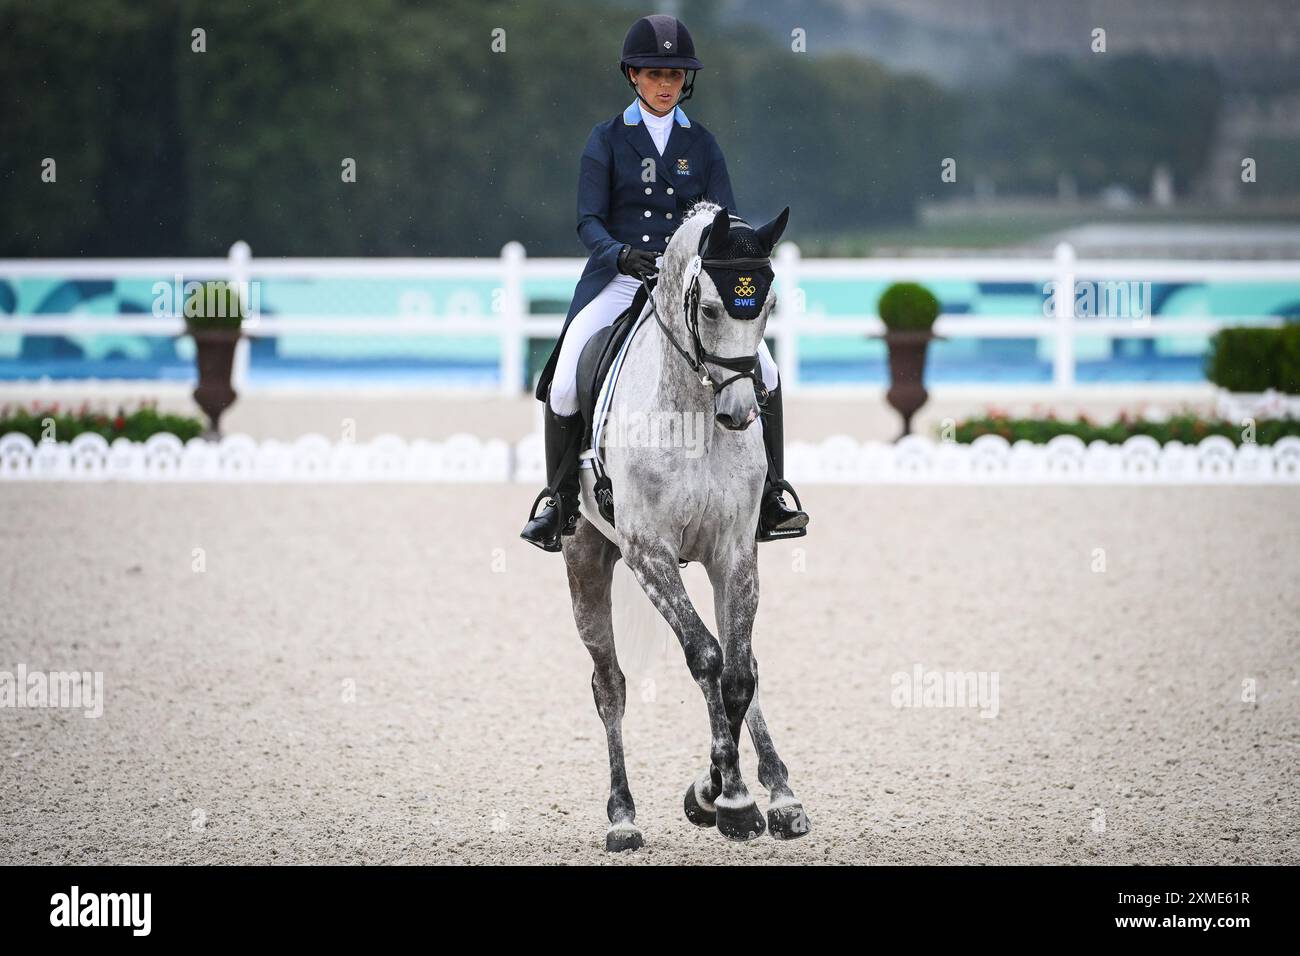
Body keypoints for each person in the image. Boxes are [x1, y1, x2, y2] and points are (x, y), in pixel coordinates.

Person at [521, 13, 809, 553]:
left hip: (686, 287)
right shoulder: (606, 139)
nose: (665, 84)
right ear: (633, 75)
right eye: (655, 74)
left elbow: (724, 217)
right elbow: (588, 220)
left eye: (675, 75)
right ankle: (558, 501)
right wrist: (620, 254)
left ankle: (772, 496)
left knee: (764, 369)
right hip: (620, 276)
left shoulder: (701, 143)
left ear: (685, 81)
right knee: (562, 376)